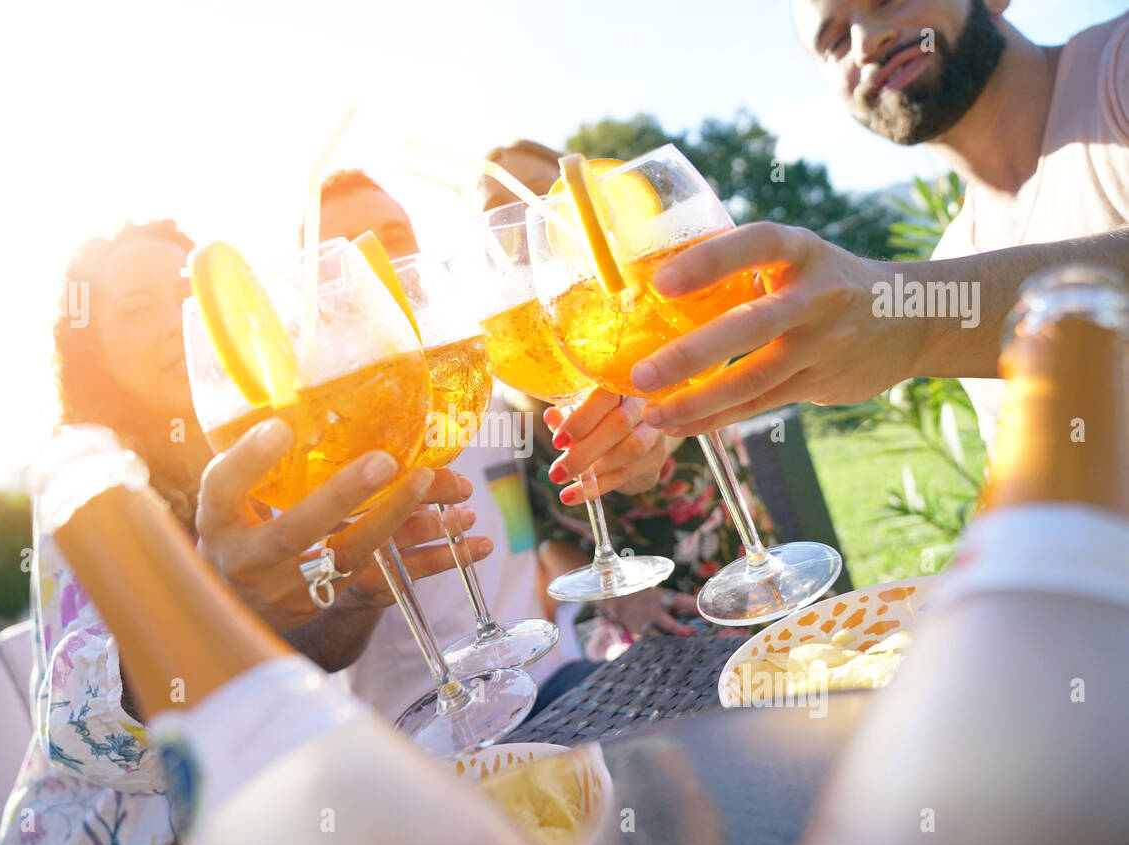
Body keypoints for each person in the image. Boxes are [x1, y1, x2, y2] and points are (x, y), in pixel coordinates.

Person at [0, 220, 479, 845]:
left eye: (186, 294)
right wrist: (213, 611)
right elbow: (72, 725)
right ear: (95, 352)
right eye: (137, 311)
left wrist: (357, 597)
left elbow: (297, 650)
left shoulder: (272, 446)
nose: (176, 320)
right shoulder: (88, 469)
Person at [633, 1, 1129, 456]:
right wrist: (659, 418)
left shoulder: (1117, 65)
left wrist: (912, 317)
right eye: (834, 42)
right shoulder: (957, 252)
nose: (866, 42)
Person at [308, 169, 672, 714]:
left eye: (393, 237)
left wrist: (649, 439)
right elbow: (300, 642)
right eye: (341, 257)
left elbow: (534, 529)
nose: (374, 261)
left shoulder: (488, 398)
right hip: (427, 727)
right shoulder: (309, 449)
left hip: (559, 681)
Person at [477, 141, 777, 653]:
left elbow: (696, 408)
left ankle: (758, 556)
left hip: (755, 587)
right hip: (655, 636)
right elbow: (544, 534)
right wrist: (624, 600)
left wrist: (654, 415)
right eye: (497, 212)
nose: (527, 220)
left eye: (542, 198)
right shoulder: (514, 400)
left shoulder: (650, 302)